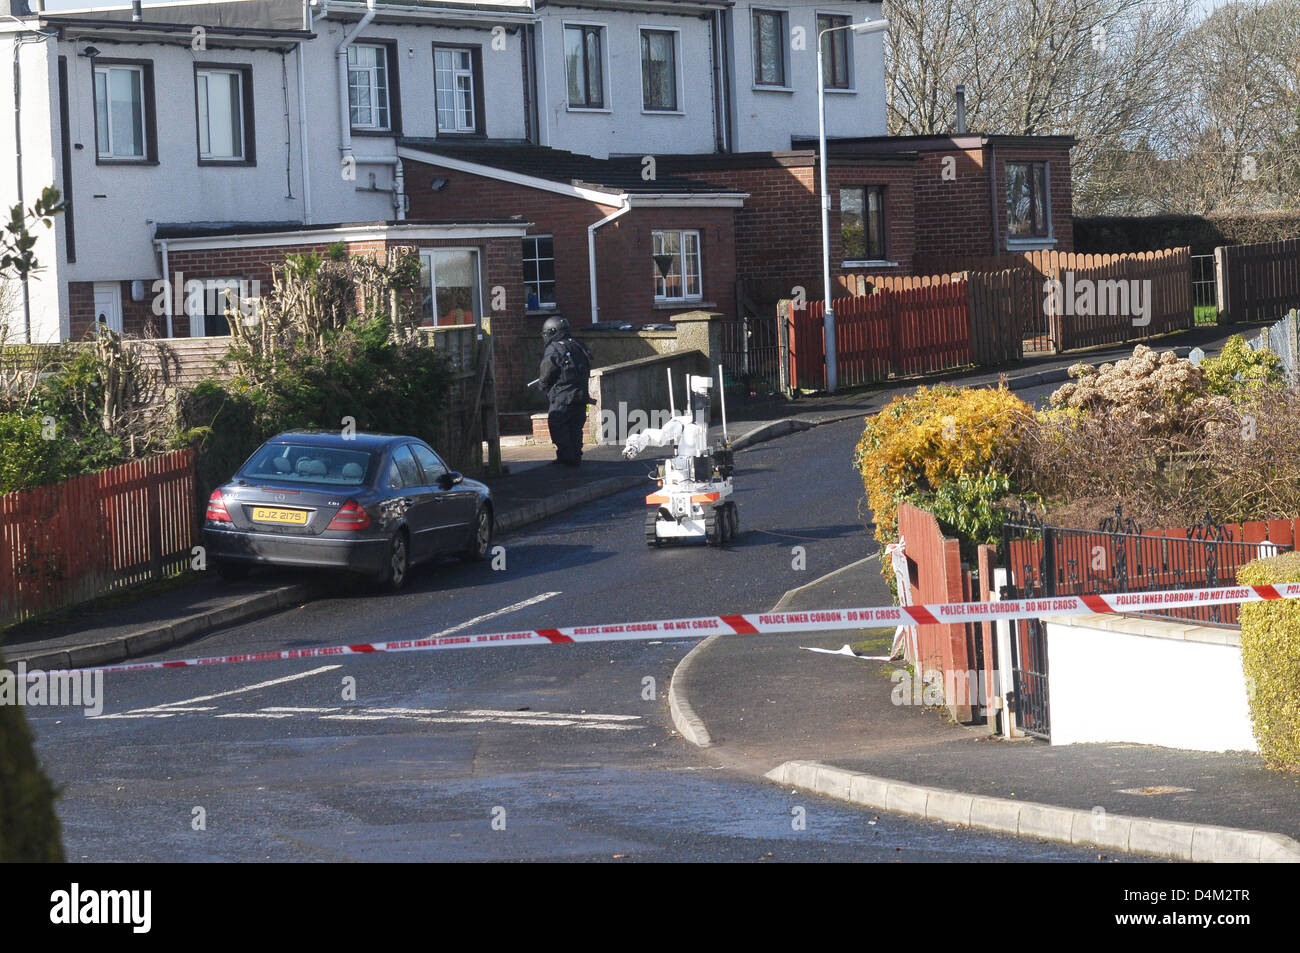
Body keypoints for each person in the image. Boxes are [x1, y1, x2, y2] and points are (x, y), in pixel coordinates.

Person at [537, 316, 592, 467]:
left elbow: (547, 371)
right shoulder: (578, 345)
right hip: (581, 395)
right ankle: (575, 456)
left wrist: (543, 386)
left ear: (552, 332)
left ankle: (566, 459)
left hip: (562, 396)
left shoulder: (554, 348)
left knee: (558, 426)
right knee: (576, 427)